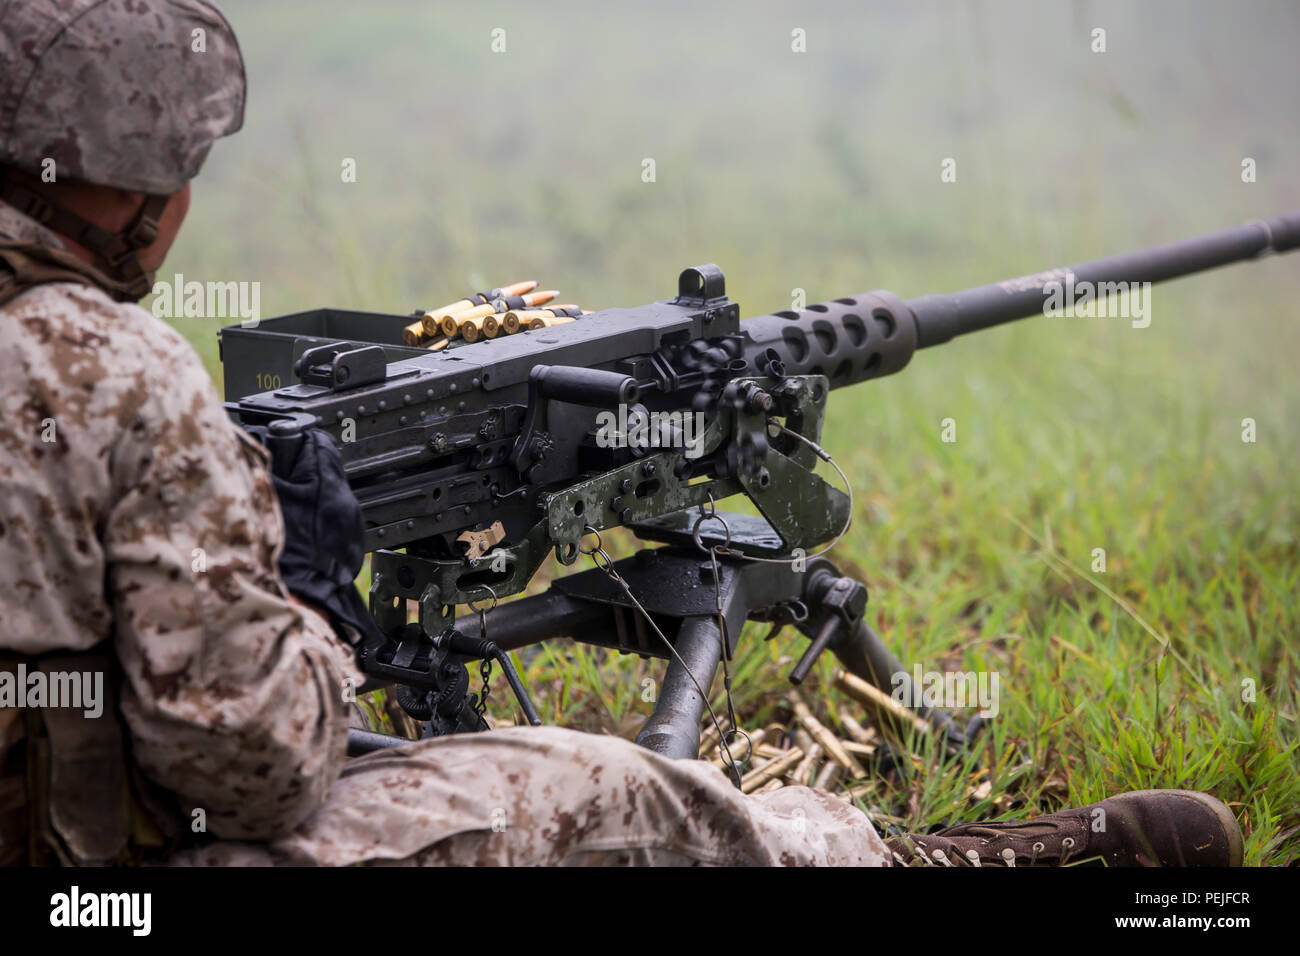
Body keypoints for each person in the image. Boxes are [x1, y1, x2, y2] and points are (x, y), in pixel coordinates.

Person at [0, 0, 1243, 868]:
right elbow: (256, 773)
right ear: (142, 182)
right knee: (604, 784)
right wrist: (313, 618)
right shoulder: (114, 369)